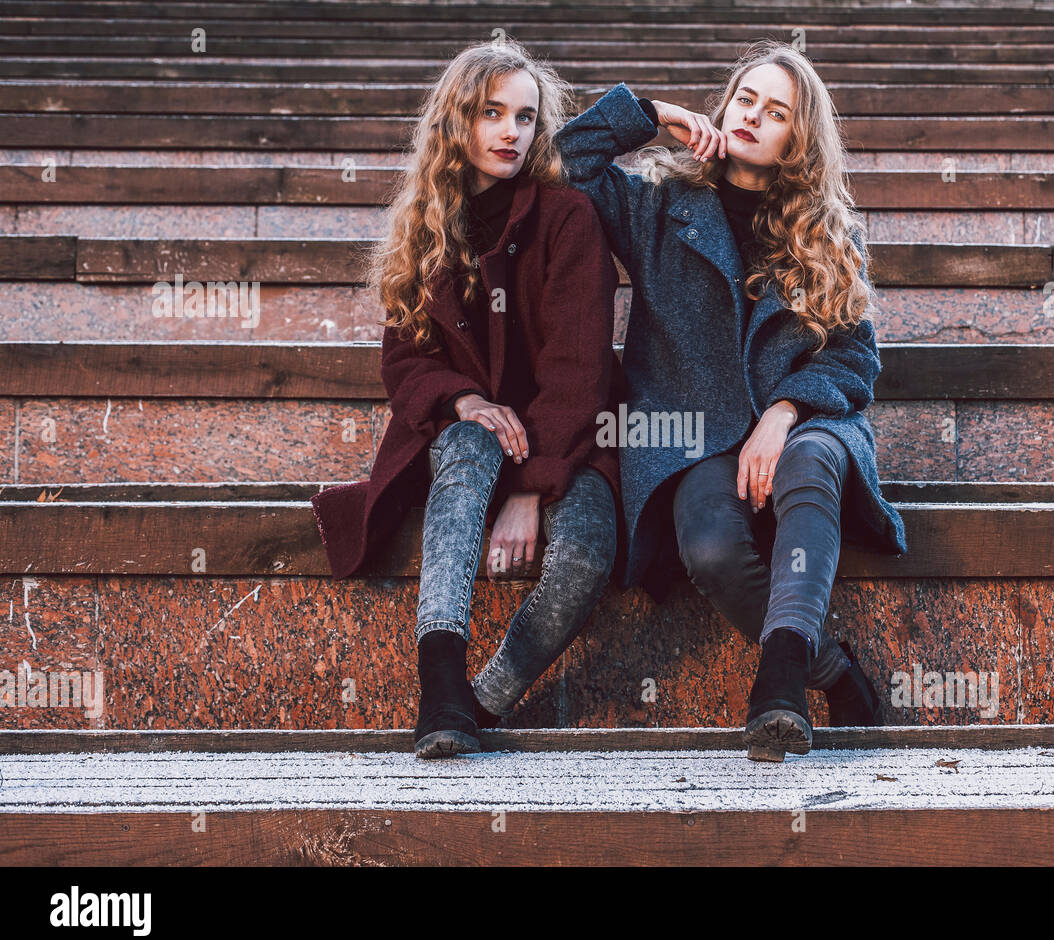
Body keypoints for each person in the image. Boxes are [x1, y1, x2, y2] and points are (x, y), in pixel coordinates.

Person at [555, 41, 908, 761]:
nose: (753, 117)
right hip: (693, 432)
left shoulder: (827, 230)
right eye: (745, 98)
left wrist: (782, 413)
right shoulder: (659, 202)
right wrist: (653, 114)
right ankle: (833, 673)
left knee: (810, 464)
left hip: (811, 420)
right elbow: (564, 164)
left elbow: (854, 355)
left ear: (797, 139)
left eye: (776, 112)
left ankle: (777, 686)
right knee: (712, 548)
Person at [310, 39, 622, 758]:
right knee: (468, 443)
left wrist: (532, 490)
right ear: (458, 120)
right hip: (463, 441)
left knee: (585, 553)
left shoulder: (568, 216)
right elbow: (405, 361)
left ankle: (478, 700)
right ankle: (439, 677)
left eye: (525, 117)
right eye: (492, 113)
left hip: (570, 437)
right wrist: (461, 401)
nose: (511, 131)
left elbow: (580, 371)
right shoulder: (427, 226)